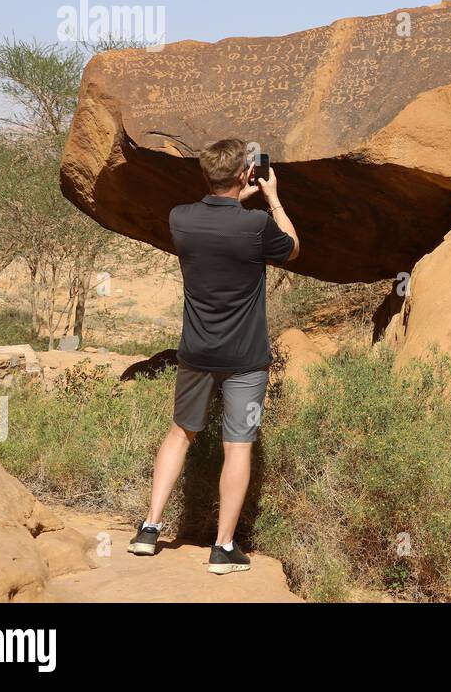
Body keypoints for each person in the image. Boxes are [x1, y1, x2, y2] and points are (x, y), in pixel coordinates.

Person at [127, 138, 299, 574]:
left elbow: (216, 219)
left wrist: (235, 196)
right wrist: (273, 200)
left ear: (205, 175)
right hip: (245, 358)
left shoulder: (180, 218)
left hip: (196, 352)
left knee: (180, 434)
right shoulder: (258, 225)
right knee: (237, 447)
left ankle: (149, 529)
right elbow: (294, 247)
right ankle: (223, 548)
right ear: (246, 174)